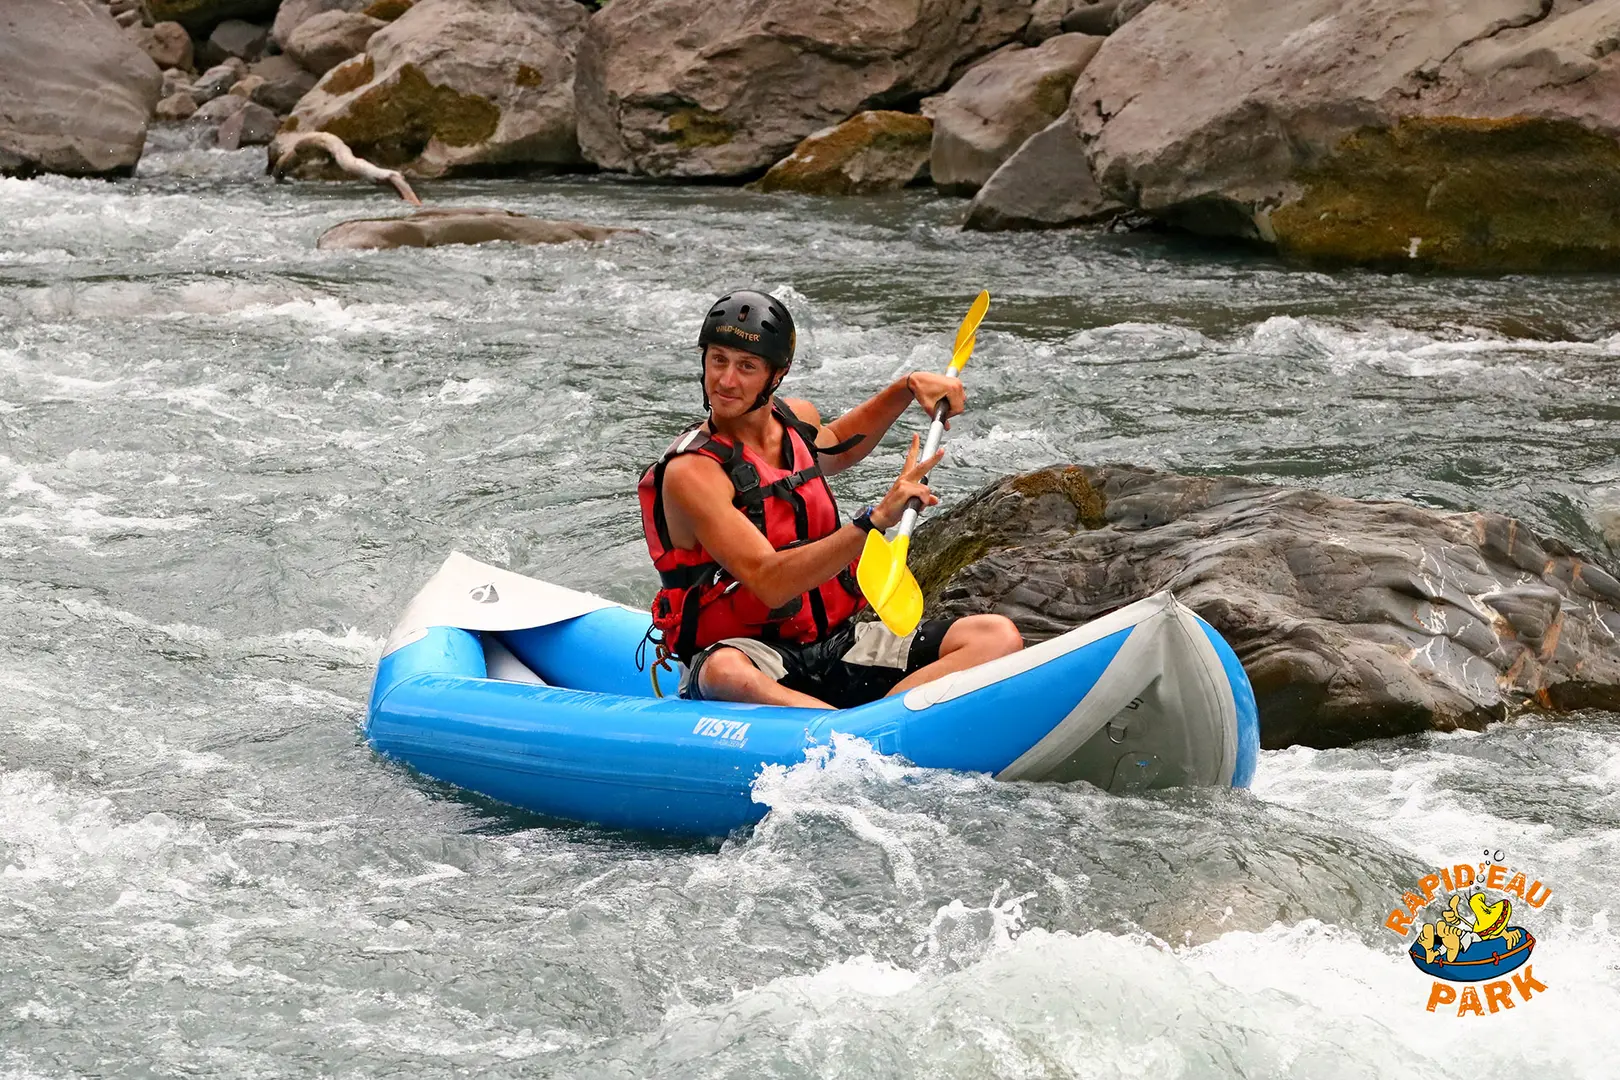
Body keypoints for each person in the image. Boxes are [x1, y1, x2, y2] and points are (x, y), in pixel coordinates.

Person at [638, 289, 1023, 708]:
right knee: (723, 672)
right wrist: (872, 521)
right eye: (718, 360)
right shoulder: (691, 471)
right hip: (750, 657)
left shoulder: (795, 420)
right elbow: (769, 582)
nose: (726, 381)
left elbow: (839, 442)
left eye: (746, 366)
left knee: (996, 637)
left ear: (776, 375)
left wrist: (907, 388)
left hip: (833, 644)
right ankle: (847, 729)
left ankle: (881, 724)